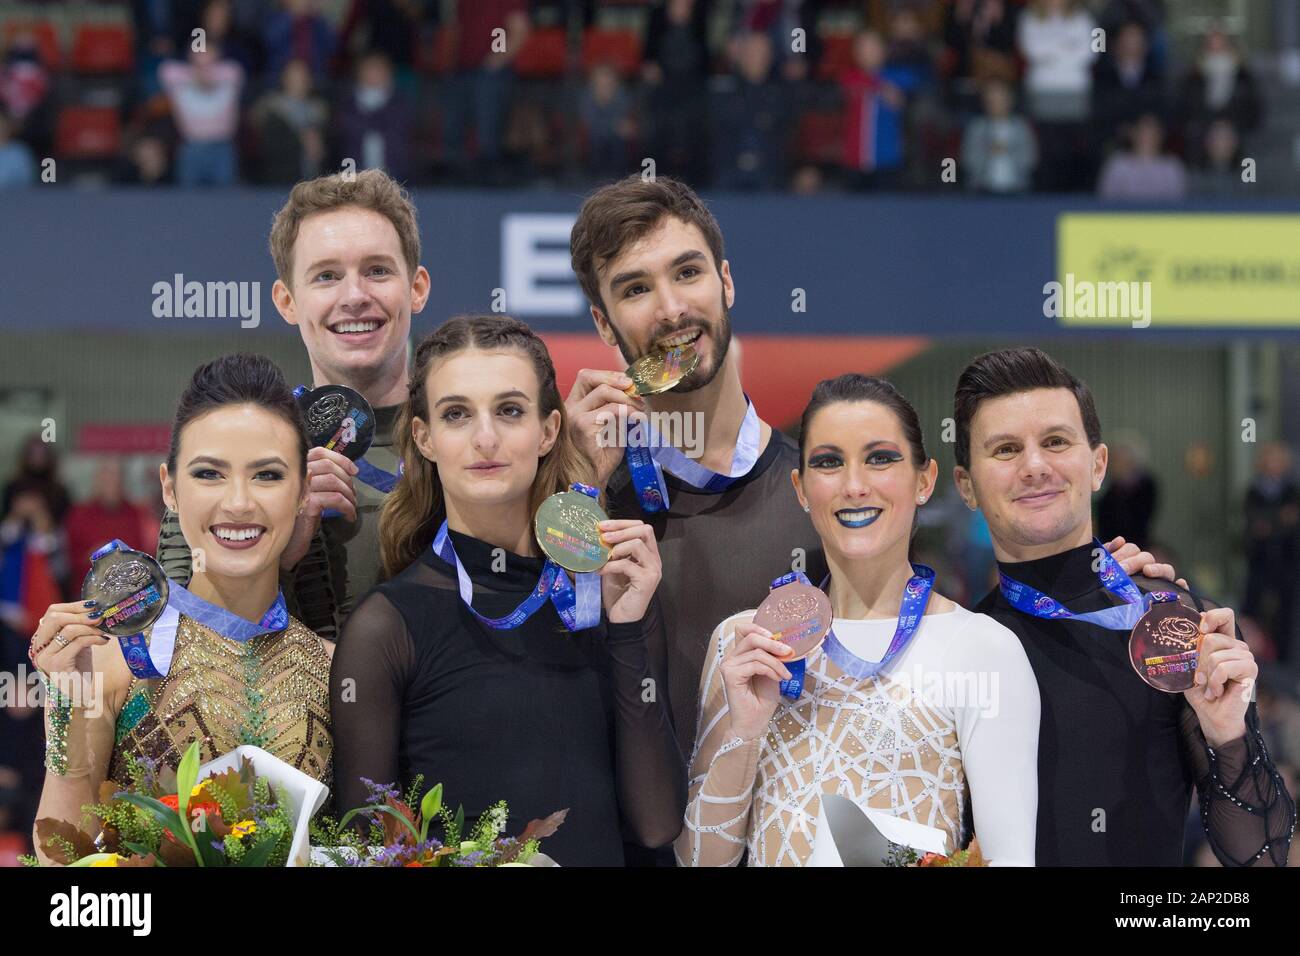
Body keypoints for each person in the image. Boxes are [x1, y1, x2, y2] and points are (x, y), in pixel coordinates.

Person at [330, 316, 684, 866]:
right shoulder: (386, 628)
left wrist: (630, 629)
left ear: (548, 431)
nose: (486, 438)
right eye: (456, 414)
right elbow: (362, 849)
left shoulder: (605, 596)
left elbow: (657, 823)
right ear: (424, 438)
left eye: (510, 410)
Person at [676, 374, 1041, 866]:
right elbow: (700, 861)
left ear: (925, 480)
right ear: (801, 489)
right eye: (829, 462)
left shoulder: (983, 649)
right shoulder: (746, 643)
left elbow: (1010, 861)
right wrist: (744, 730)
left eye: (880, 458)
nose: (854, 485)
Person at [952, 347, 1295, 865]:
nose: (1034, 466)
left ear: (1098, 465)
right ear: (966, 486)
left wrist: (1228, 734)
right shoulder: (953, 646)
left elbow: (1263, 859)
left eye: (1055, 441)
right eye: (1004, 449)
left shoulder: (1175, 628)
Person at [30, 354, 334, 863]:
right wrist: (67, 702)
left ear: (303, 490)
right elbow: (62, 866)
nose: (238, 503)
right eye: (210, 473)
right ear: (170, 487)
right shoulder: (113, 659)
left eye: (267, 475)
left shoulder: (333, 666)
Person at [566, 175, 827, 765]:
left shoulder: (820, 492)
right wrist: (576, 485)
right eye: (635, 289)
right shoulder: (579, 501)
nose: (673, 309)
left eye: (688, 272)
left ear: (726, 281)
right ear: (604, 325)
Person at [156, 168, 430, 641]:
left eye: (377, 271)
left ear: (417, 288)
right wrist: (281, 552)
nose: (355, 296)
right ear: (286, 300)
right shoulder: (234, 458)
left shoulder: (470, 446)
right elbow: (179, 655)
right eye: (326, 276)